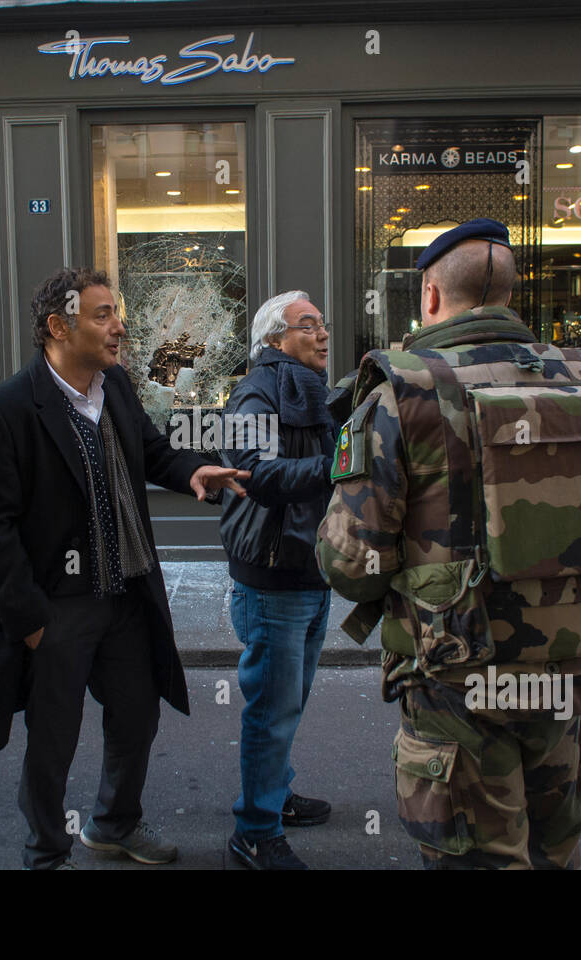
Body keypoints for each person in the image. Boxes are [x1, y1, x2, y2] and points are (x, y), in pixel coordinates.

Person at [317, 218, 581, 869]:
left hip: (459, 671)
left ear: (431, 297)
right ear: (510, 295)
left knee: (478, 856)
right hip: (570, 664)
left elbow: (353, 563)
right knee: (555, 849)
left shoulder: (404, 393)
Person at [0, 266, 248, 870]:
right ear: (57, 328)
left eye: (116, 314)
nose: (119, 327)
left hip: (124, 592)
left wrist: (191, 471)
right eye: (102, 316)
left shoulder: (113, 388)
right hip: (56, 606)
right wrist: (30, 621)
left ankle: (114, 823)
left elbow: (150, 451)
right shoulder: (6, 407)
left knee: (137, 714)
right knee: (54, 739)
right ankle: (46, 850)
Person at [218, 290, 335, 870]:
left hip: (309, 569)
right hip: (270, 577)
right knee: (272, 708)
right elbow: (253, 473)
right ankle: (255, 832)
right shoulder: (257, 392)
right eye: (307, 325)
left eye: (323, 324)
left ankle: (275, 795)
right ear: (274, 340)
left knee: (289, 701)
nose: (322, 333)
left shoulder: (309, 390)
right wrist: (339, 467)